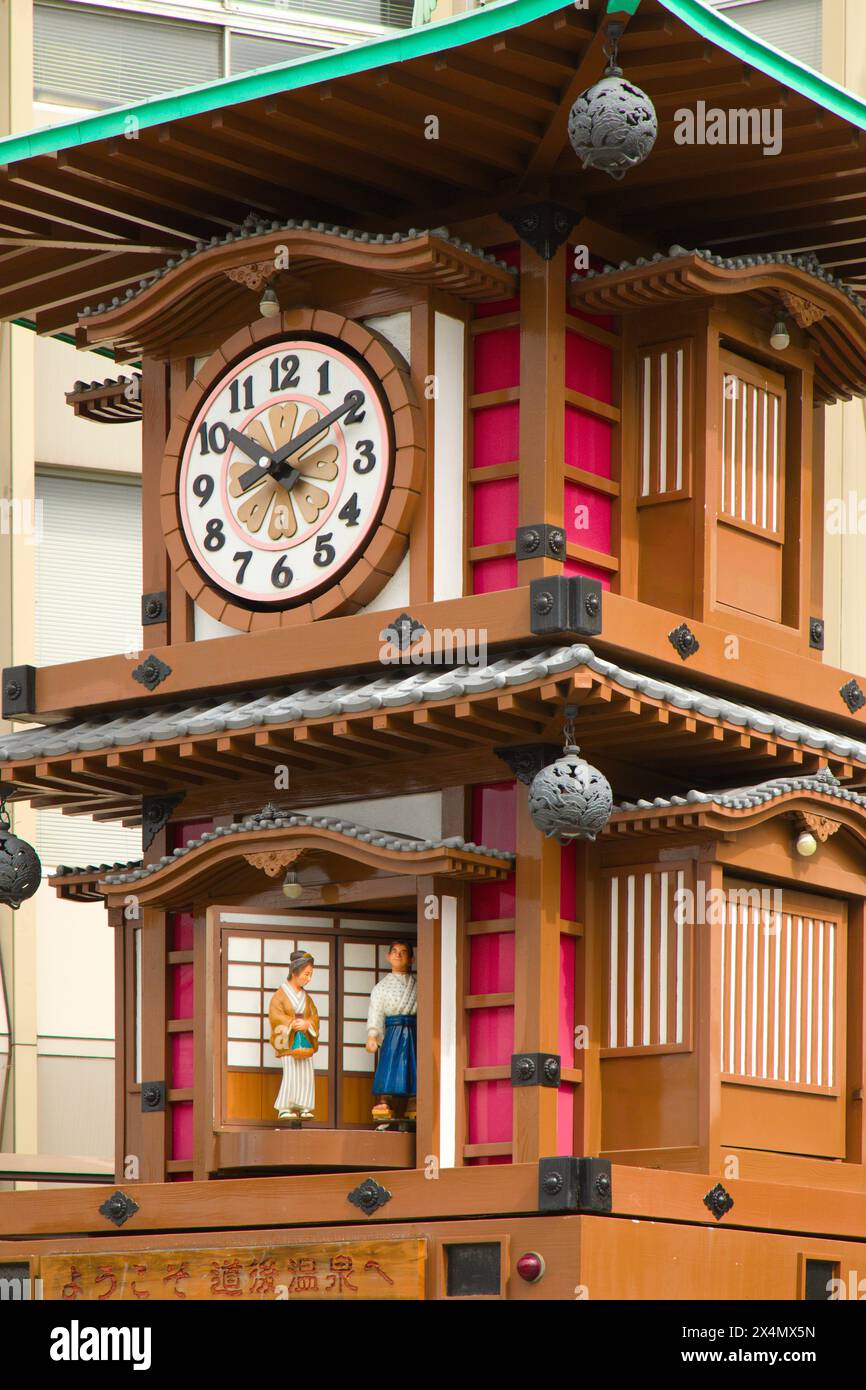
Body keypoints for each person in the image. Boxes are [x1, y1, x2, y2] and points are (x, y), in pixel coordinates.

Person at [365, 941, 417, 1124]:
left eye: (403, 952)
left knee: (413, 1065)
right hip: (392, 1032)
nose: (398, 955)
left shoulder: (418, 986)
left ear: (411, 959)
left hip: (413, 1031)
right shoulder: (381, 988)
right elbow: (376, 1012)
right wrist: (372, 1035)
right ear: (388, 957)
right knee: (388, 1065)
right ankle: (384, 1100)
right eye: (394, 952)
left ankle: (414, 1100)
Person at [268, 949, 319, 1121]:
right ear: (294, 972)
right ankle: (285, 1107)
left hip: (304, 1041)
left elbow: (314, 1017)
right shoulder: (280, 996)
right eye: (306, 974)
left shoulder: (307, 998)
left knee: (306, 1074)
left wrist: (307, 1024)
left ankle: (304, 1106)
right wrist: (292, 1023)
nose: (308, 979)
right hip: (289, 1043)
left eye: (310, 975)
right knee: (291, 1074)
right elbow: (275, 1016)